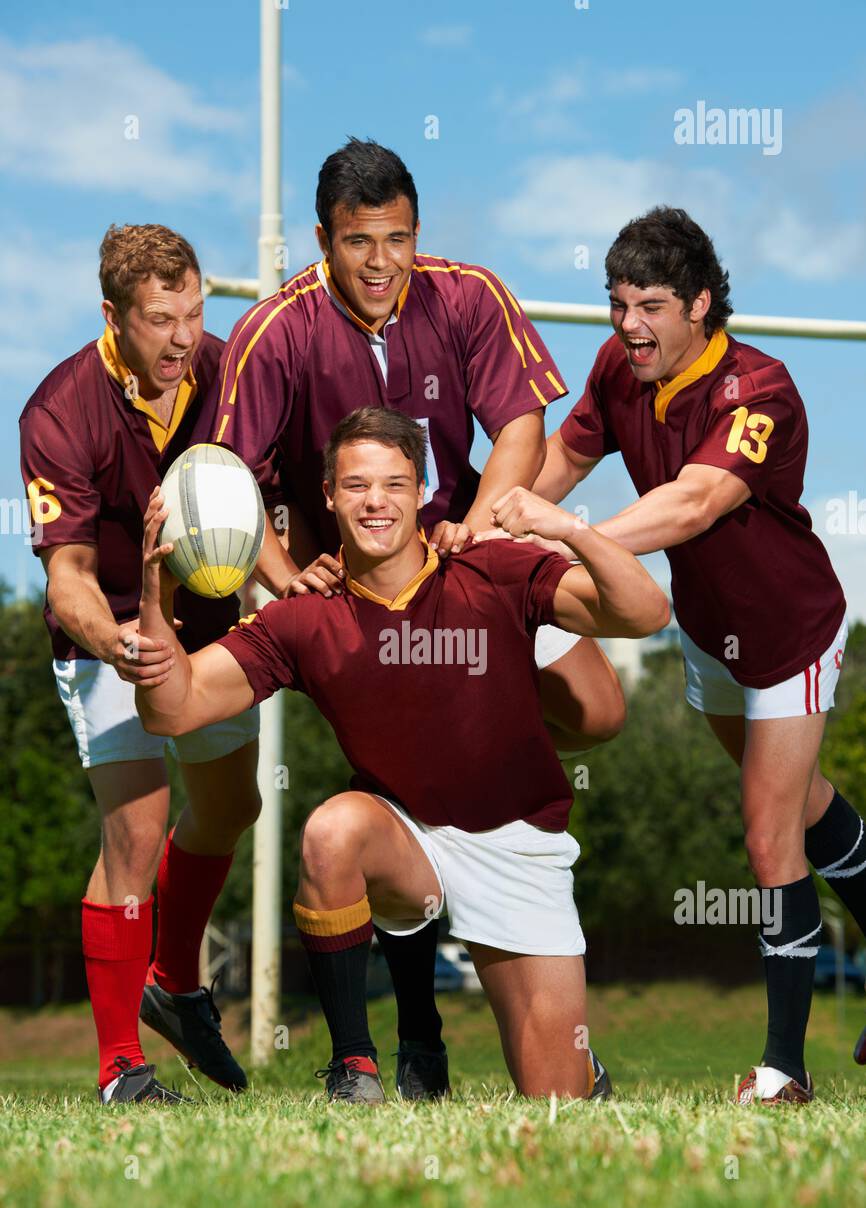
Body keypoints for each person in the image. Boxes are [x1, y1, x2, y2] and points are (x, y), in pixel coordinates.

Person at [193, 137, 626, 1097]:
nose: (380, 262)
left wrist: (475, 527)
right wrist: (277, 579)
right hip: (357, 597)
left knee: (598, 712)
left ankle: (484, 817)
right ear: (323, 240)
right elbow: (230, 480)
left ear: (417, 233)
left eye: (396, 239)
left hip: (464, 570)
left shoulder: (469, 293)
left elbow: (519, 423)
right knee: (378, 795)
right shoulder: (278, 329)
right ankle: (410, 1031)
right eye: (358, 242)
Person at [135, 407, 670, 1101]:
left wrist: (567, 529)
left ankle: (581, 1071)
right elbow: (172, 709)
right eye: (355, 486)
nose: (375, 501)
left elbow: (646, 613)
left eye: (394, 483)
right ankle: (354, 1068)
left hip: (516, 841)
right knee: (333, 831)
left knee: (556, 1102)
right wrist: (157, 590)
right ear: (327, 496)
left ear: (422, 492)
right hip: (406, 839)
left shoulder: (489, 568)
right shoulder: (303, 615)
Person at [533, 205, 863, 1104]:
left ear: (700, 306)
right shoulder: (616, 368)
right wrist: (493, 525)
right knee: (800, 804)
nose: (627, 325)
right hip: (707, 634)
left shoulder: (762, 387)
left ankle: (786, 1072)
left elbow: (690, 504)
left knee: (768, 833)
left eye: (648, 305)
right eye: (615, 303)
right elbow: (563, 457)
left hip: (790, 630)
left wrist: (564, 535)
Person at [19, 224, 259, 1104]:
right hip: (108, 629)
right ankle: (121, 1065)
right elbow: (68, 575)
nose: (183, 337)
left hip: (208, 625)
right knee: (136, 825)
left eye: (194, 313)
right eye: (160, 320)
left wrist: (290, 582)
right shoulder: (57, 410)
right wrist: (118, 645)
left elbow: (256, 508)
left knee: (235, 804)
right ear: (113, 315)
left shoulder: (232, 373)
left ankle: (175, 980)